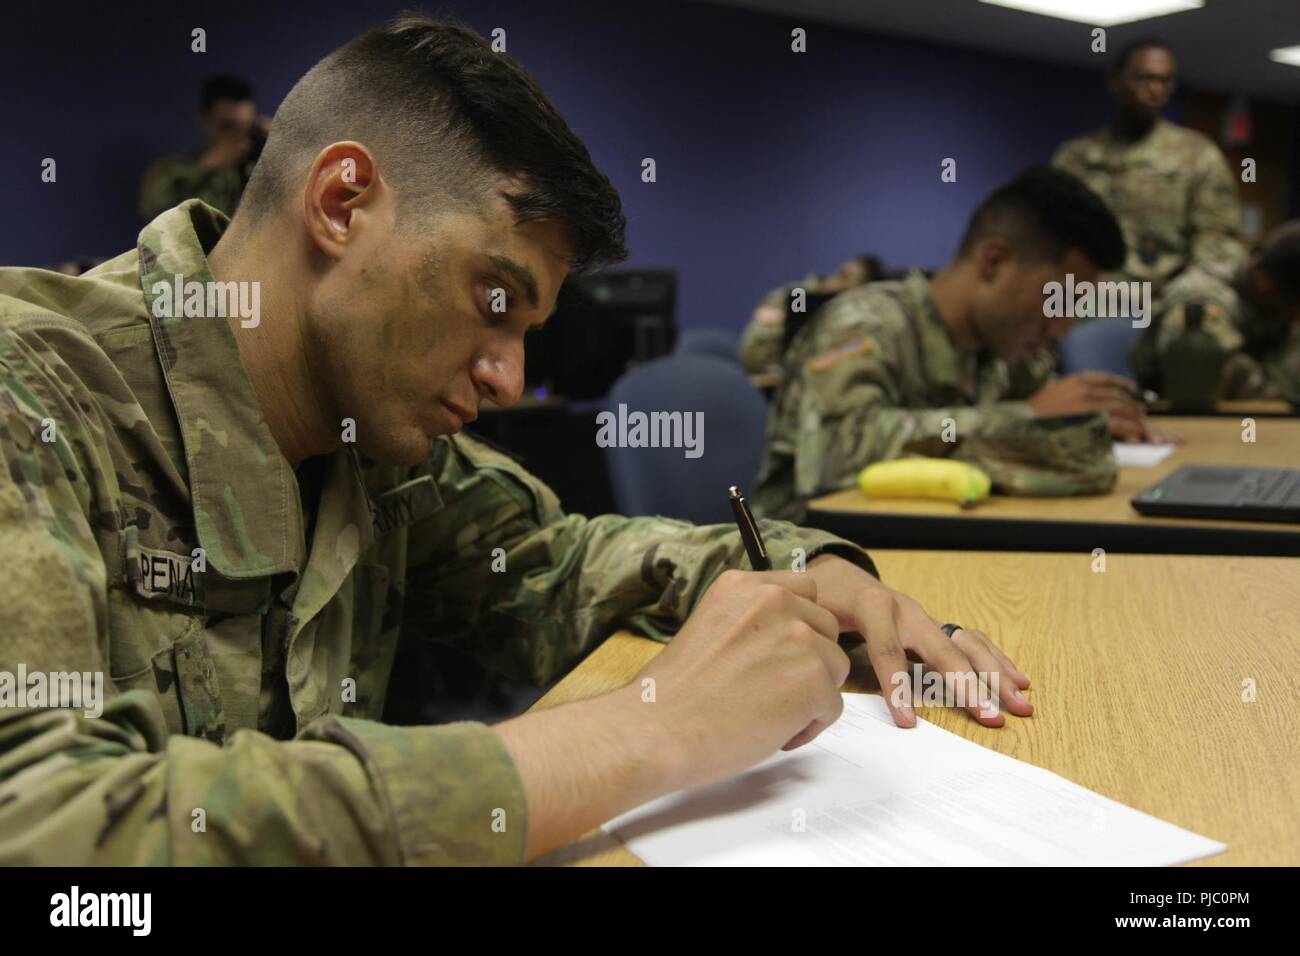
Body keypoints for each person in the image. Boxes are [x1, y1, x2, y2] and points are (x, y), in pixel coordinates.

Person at [0, 15, 1030, 866]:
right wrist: (649, 728)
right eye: (494, 299)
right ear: (341, 202)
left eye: (526, 331)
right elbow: (42, 831)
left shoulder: (375, 446)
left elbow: (562, 559)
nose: (504, 377)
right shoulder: (31, 397)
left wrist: (813, 571)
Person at [752, 166, 1170, 522]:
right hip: (810, 564)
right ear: (995, 262)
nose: (1063, 327)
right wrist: (1025, 415)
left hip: (936, 540)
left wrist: (1095, 420)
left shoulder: (1005, 349)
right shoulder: (865, 324)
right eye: (1056, 300)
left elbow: (1041, 420)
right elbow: (834, 455)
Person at [1052, 38, 1245, 308]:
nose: (1155, 90)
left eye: (1165, 81)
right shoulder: (1075, 157)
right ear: (1114, 81)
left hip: (1157, 308)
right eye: (1143, 78)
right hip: (1079, 303)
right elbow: (1050, 238)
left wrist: (1178, 302)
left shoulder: (1198, 157)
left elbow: (1218, 251)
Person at [1137, 221, 1300, 405]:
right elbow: (1209, 374)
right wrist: (1284, 395)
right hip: (1178, 415)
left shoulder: (1271, 297)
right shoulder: (1201, 295)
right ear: (1267, 285)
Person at [138, 74, 270, 221]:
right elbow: (153, 208)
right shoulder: (175, 170)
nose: (237, 135)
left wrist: (285, 145)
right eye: (227, 126)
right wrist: (206, 165)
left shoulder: (264, 166)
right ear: (204, 119)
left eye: (246, 126)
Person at [739, 254, 882, 374]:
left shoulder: (861, 315)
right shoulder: (800, 296)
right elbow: (753, 353)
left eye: (851, 285)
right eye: (842, 276)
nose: (841, 286)